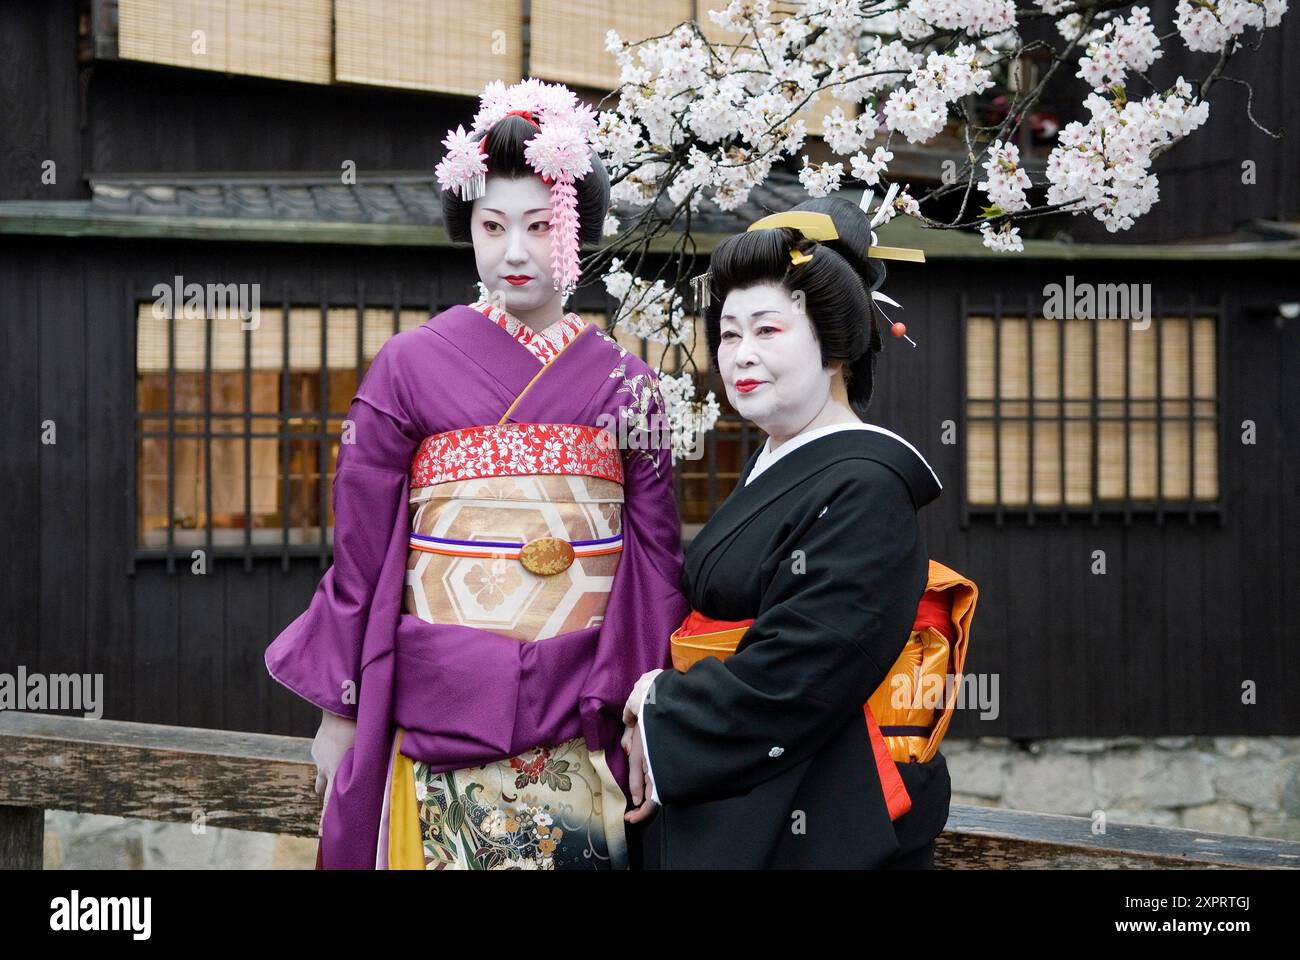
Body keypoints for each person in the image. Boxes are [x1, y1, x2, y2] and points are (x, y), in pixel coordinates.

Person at [265, 79, 687, 869]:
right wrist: (342, 706)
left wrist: (646, 706)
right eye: (492, 226)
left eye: (538, 226)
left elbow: (657, 562)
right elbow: (360, 553)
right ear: (469, 229)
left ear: (575, 235)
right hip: (441, 694)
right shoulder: (407, 366)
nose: (515, 251)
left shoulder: (629, 385)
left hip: (580, 701)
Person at [620, 195, 959, 869]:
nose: (741, 355)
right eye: (728, 334)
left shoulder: (865, 485)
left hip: (817, 802)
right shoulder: (784, 463)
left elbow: (801, 674)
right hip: (758, 792)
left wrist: (662, 704)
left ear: (834, 348)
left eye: (768, 331)